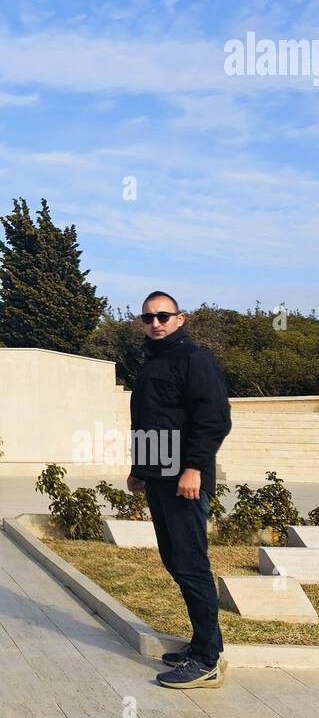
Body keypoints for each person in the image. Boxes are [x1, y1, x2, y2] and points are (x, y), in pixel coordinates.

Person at [128, 290, 231, 690]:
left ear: (180, 319)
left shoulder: (195, 360)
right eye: (148, 317)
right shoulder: (153, 362)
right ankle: (204, 644)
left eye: (163, 316)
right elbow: (149, 422)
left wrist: (193, 469)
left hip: (185, 479)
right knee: (176, 561)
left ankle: (207, 661)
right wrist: (140, 469)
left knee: (190, 563)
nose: (155, 323)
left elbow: (214, 420)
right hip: (159, 475)